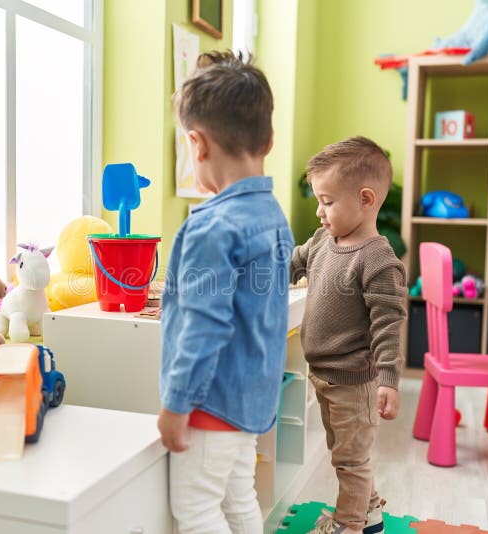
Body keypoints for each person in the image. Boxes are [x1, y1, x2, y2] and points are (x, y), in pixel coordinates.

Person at [158, 50, 294, 534]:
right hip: (252, 403)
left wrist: (176, 405)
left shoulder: (212, 227)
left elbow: (203, 327)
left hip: (210, 406)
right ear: (270, 140)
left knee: (195, 513)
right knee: (239, 502)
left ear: (196, 144)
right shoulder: (273, 216)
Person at [291, 137, 408, 534]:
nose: (320, 212)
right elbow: (297, 260)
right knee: (344, 452)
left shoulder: (377, 259)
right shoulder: (325, 239)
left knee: (351, 460)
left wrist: (389, 380)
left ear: (365, 199)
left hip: (355, 383)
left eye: (327, 201)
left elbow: (388, 325)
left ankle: (349, 525)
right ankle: (369, 511)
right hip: (324, 377)